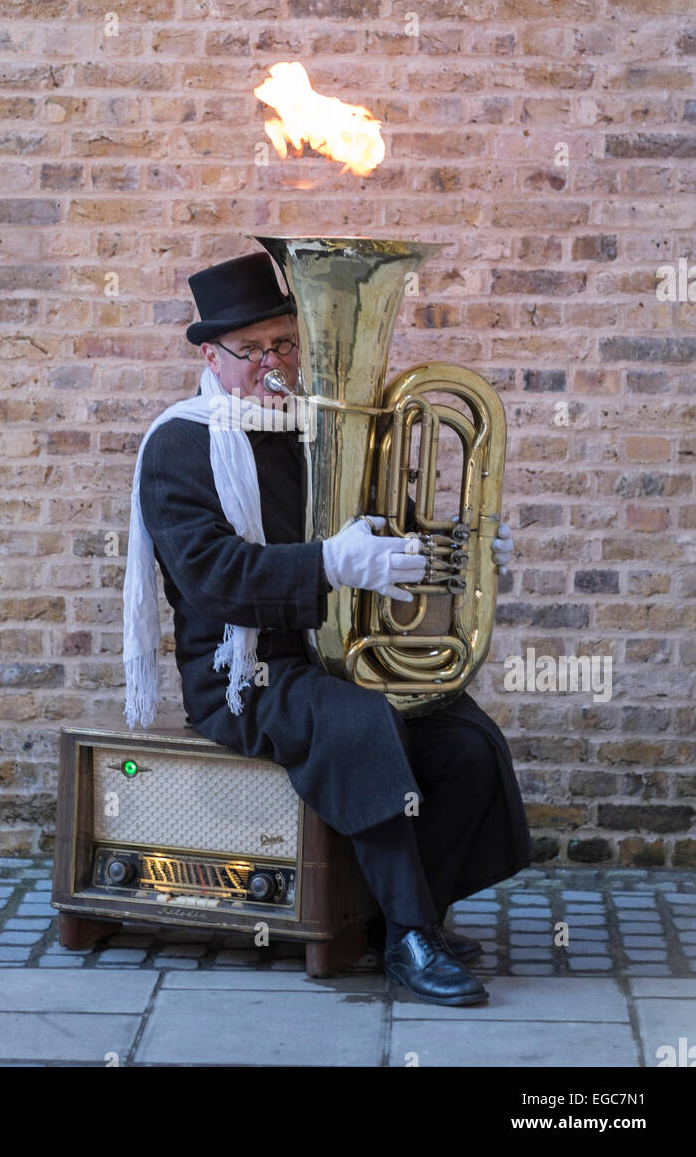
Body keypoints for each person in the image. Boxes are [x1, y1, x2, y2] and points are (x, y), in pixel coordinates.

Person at [124, 250, 534, 1007]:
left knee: (468, 744)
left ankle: (399, 916)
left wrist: (463, 549)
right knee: (360, 721)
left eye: (285, 343)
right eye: (253, 351)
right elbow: (217, 578)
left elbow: (376, 534)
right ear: (211, 357)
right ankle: (411, 943)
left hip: (328, 653)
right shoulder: (181, 445)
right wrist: (331, 565)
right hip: (245, 674)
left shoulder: (311, 427)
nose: (274, 364)